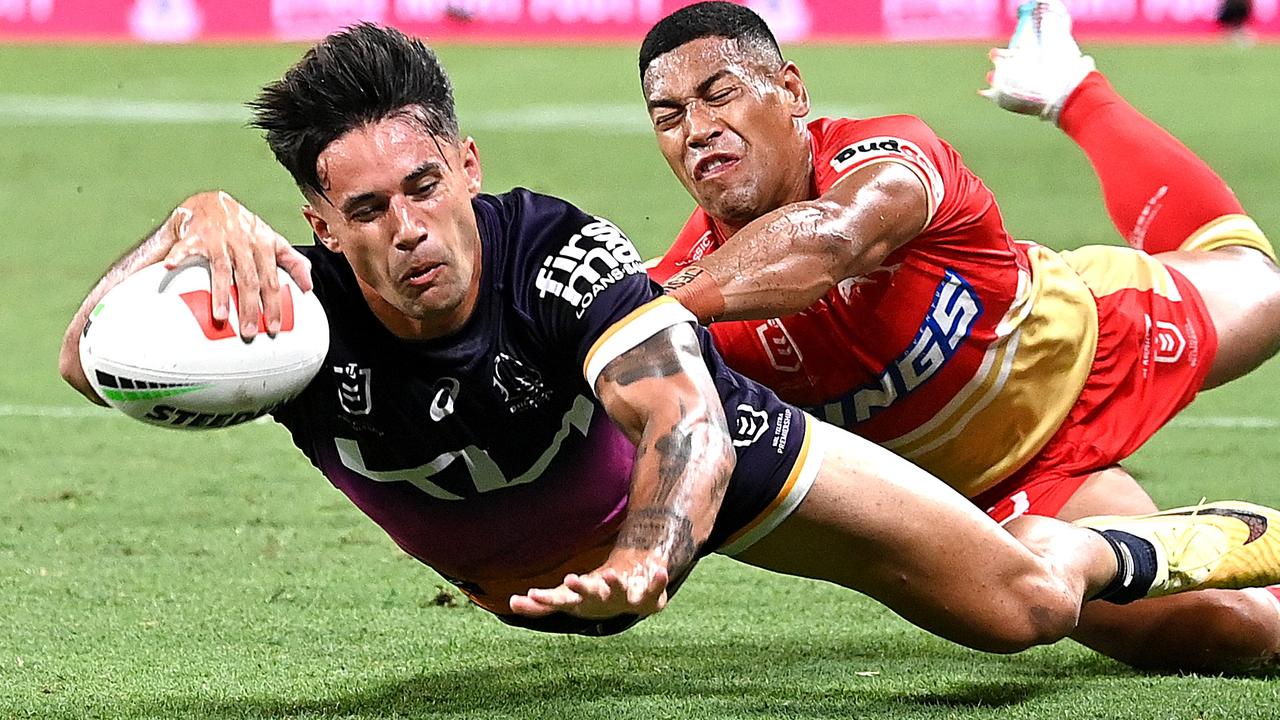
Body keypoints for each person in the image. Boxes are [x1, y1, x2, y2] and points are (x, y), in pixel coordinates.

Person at [55, 23, 1280, 655]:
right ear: (320, 223)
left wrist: (646, 550)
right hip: (981, 465)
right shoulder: (297, 311)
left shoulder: (582, 255)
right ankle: (1145, 549)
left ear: (466, 166)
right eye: (368, 211)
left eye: (426, 186)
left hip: (1056, 354)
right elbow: (90, 361)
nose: (410, 227)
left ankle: (1070, 89)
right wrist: (180, 230)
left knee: (1245, 299)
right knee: (1118, 627)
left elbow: (697, 401)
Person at [641, 0, 1280, 672]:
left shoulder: (886, 153)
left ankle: (1068, 90)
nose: (699, 129)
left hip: (1093, 341)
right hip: (1000, 497)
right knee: (1246, 634)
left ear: (793, 91)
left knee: (1264, 289)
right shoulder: (681, 303)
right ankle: (1100, 549)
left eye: (721, 95)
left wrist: (661, 307)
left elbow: (830, 237)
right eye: (670, 116)